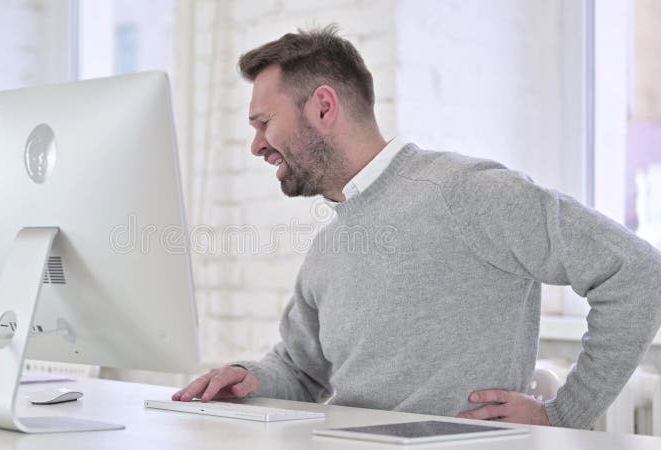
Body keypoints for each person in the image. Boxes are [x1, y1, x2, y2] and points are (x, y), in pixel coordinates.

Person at [172, 25, 661, 429]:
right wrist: (249, 377)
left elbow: (638, 272)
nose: (256, 145)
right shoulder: (330, 245)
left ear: (323, 107)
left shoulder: (466, 193)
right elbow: (301, 370)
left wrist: (564, 415)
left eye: (264, 122)